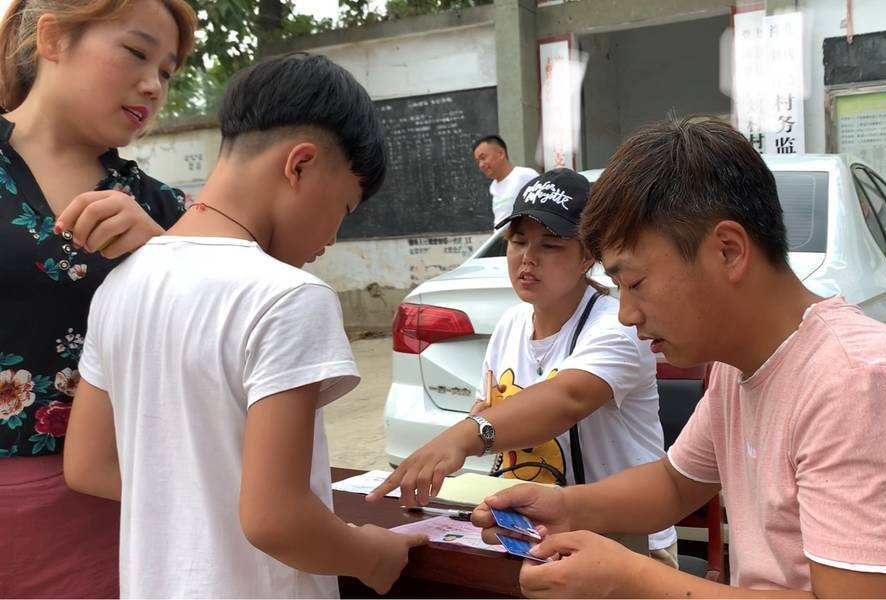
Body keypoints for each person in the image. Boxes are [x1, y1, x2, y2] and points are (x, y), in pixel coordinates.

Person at [472, 118, 886, 598]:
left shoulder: (861, 385)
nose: (627, 314)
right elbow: (676, 484)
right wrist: (565, 508)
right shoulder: (738, 364)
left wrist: (630, 578)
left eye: (634, 283)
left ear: (728, 251)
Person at [63, 53, 427, 598]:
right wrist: (369, 556)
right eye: (344, 207)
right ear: (299, 165)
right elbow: (276, 519)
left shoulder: (120, 285)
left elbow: (89, 466)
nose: (331, 238)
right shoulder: (289, 297)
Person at [370, 168, 679, 566]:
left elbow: (566, 399)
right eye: (517, 242)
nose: (527, 259)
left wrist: (466, 435)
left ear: (588, 255)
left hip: (625, 541)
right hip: (533, 531)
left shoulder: (617, 326)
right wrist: (479, 426)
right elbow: (488, 414)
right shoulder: (511, 324)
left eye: (550, 246)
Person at [0, 1, 196, 597]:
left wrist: (164, 256)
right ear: (54, 39)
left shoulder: (165, 210)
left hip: (118, 504)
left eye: (167, 71)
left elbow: (215, 343)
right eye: (137, 53)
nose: (152, 85)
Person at [472, 134, 538, 226]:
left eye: (483, 158)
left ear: (501, 153)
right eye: (478, 161)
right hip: (502, 239)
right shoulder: (493, 187)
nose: (481, 165)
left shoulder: (525, 175)